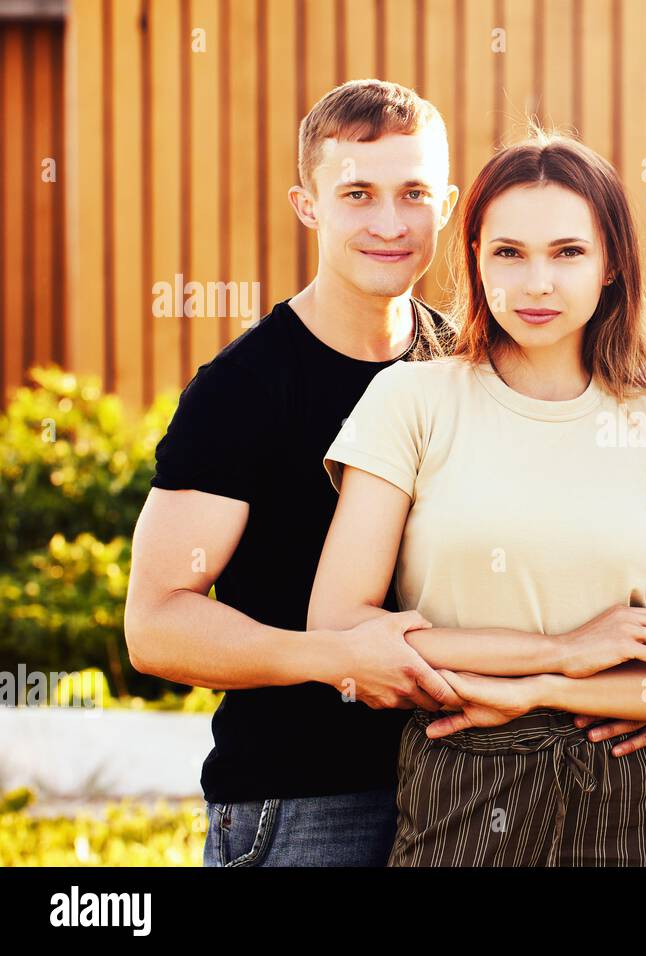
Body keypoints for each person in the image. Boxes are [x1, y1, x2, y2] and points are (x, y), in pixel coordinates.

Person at [308, 130, 646, 867]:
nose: (537, 285)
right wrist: (567, 651)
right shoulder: (413, 398)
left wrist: (549, 687)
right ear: (474, 259)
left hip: (633, 785)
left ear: (614, 262)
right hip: (465, 774)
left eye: (568, 252)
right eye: (509, 253)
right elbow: (339, 629)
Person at [124, 80, 467, 866]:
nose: (390, 223)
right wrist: (337, 658)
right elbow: (156, 625)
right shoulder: (243, 389)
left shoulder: (464, 365)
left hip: (460, 785)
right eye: (357, 194)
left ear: (446, 203)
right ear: (307, 204)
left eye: (414, 193)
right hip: (305, 806)